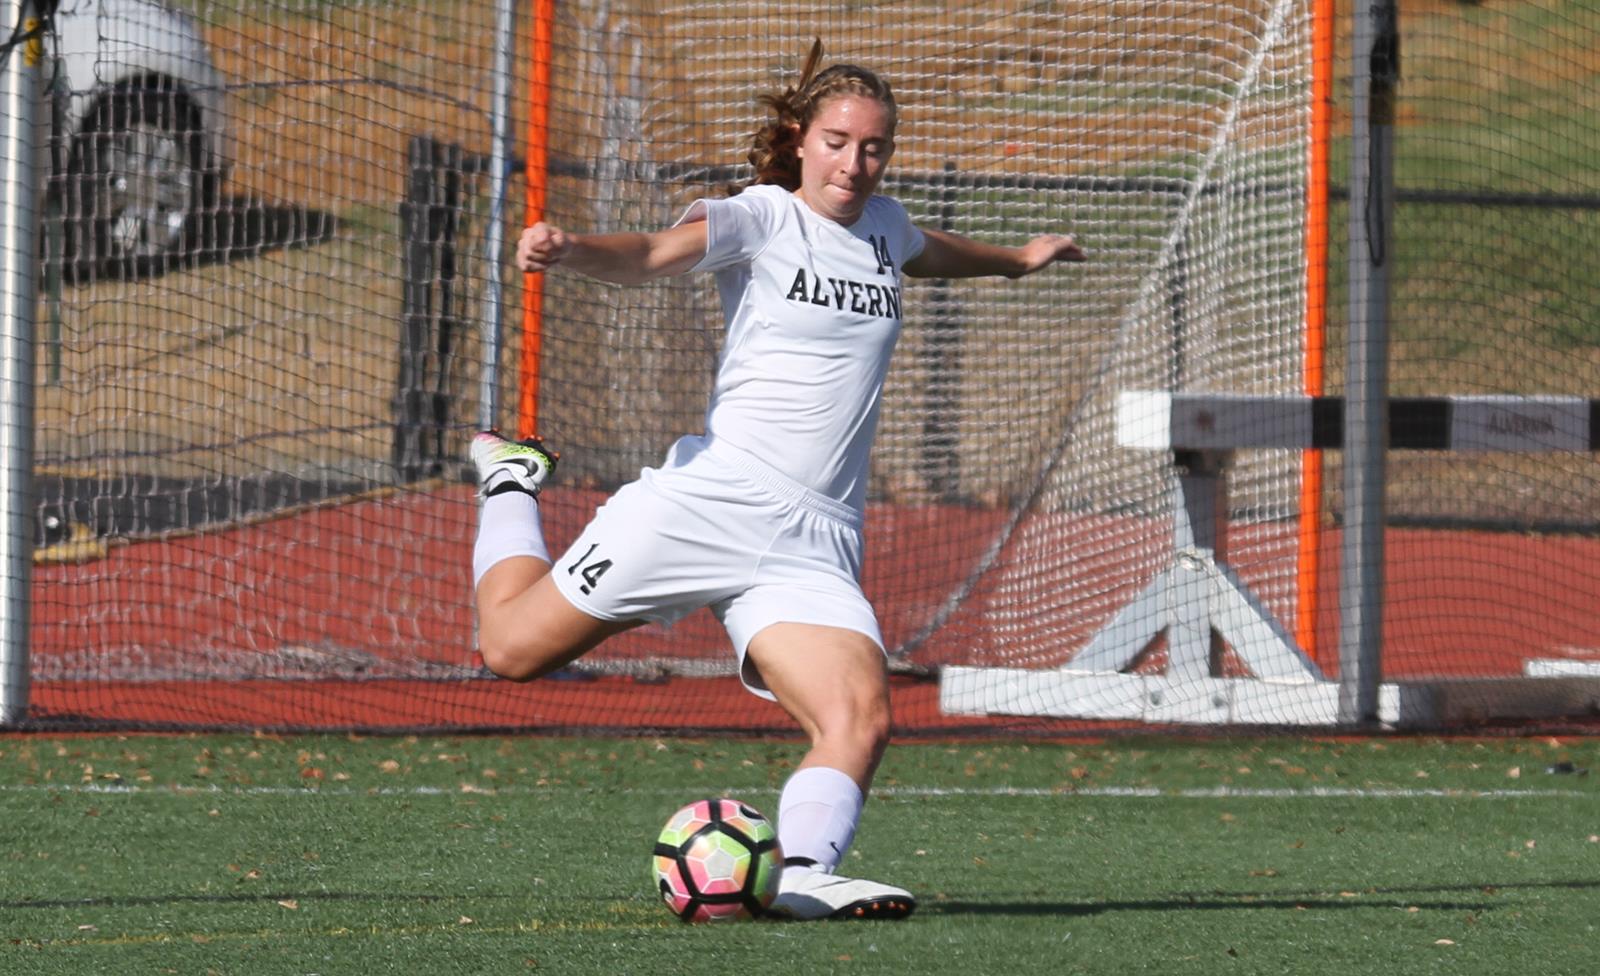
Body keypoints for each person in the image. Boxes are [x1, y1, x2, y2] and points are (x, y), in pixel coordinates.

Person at [470, 40, 1085, 921]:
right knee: (511, 651)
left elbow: (928, 251)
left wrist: (1017, 259)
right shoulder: (763, 217)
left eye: (873, 148)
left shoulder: (886, 226)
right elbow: (651, 253)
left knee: (860, 716)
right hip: (711, 501)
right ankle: (510, 482)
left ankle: (801, 873)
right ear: (800, 139)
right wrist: (571, 250)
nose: (854, 164)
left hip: (814, 540)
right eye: (837, 142)